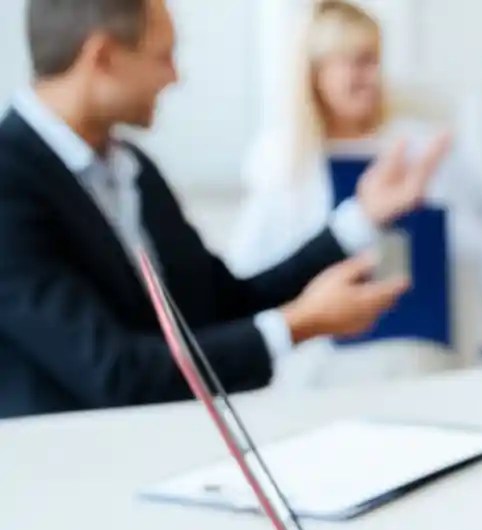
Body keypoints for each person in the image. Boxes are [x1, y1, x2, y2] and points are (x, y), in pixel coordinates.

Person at [0, 0, 446, 419]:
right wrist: (295, 326)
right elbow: (116, 372)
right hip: (67, 479)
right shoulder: (10, 179)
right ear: (104, 57)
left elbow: (224, 303)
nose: (174, 77)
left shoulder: (132, 169)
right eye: (163, 56)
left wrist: (360, 218)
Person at [226, 0, 482, 387]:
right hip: (323, 370)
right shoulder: (285, 160)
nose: (368, 76)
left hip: (423, 358)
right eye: (352, 62)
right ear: (316, 72)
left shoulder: (419, 149)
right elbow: (247, 278)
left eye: (372, 60)